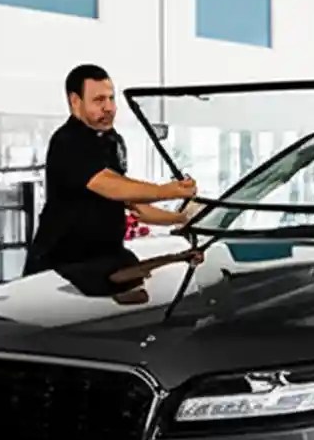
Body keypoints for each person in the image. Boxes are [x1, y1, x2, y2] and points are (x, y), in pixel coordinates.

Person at [23, 64, 198, 288]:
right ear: (75, 102)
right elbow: (109, 185)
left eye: (111, 98)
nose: (109, 107)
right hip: (62, 267)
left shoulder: (112, 141)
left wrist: (182, 219)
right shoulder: (67, 142)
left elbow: (133, 204)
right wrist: (168, 191)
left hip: (107, 261)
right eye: (99, 100)